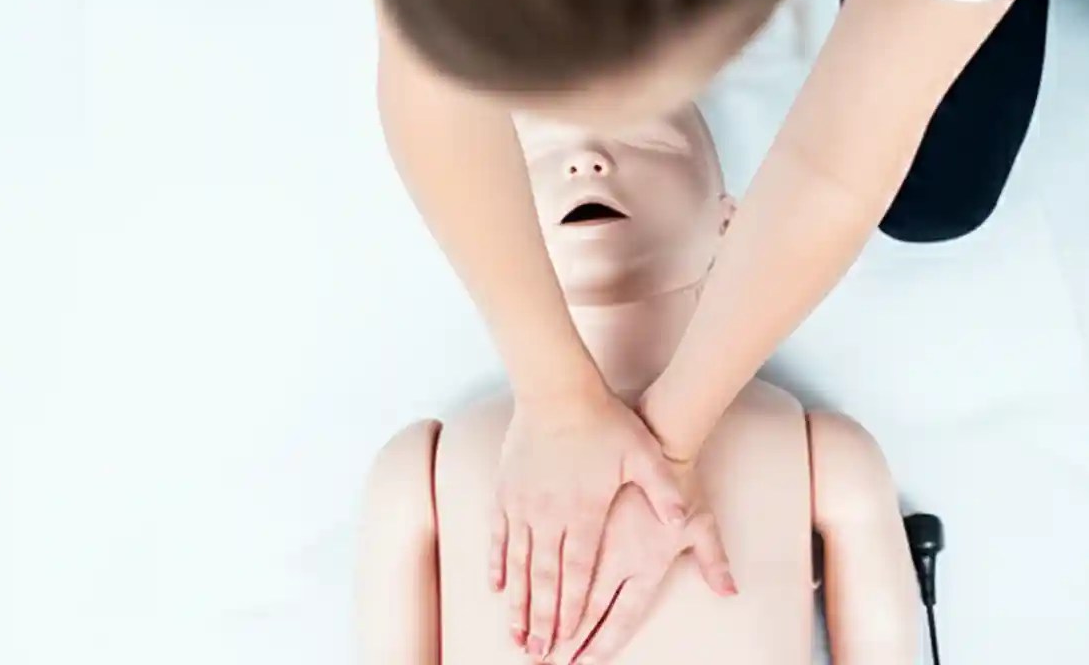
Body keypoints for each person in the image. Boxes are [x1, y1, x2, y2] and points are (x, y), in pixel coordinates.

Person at [363, 0, 1089, 658]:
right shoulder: (432, 469)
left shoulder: (798, 444)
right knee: (938, 180)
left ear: (730, 220)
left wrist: (672, 437)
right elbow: (426, 76)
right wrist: (563, 402)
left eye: (643, 119)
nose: (590, 157)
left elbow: (835, 161)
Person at [355, 107, 918, 664]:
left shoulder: (825, 453)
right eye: (540, 155)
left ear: (730, 225)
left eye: (647, 140)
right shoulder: (418, 470)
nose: (585, 162)